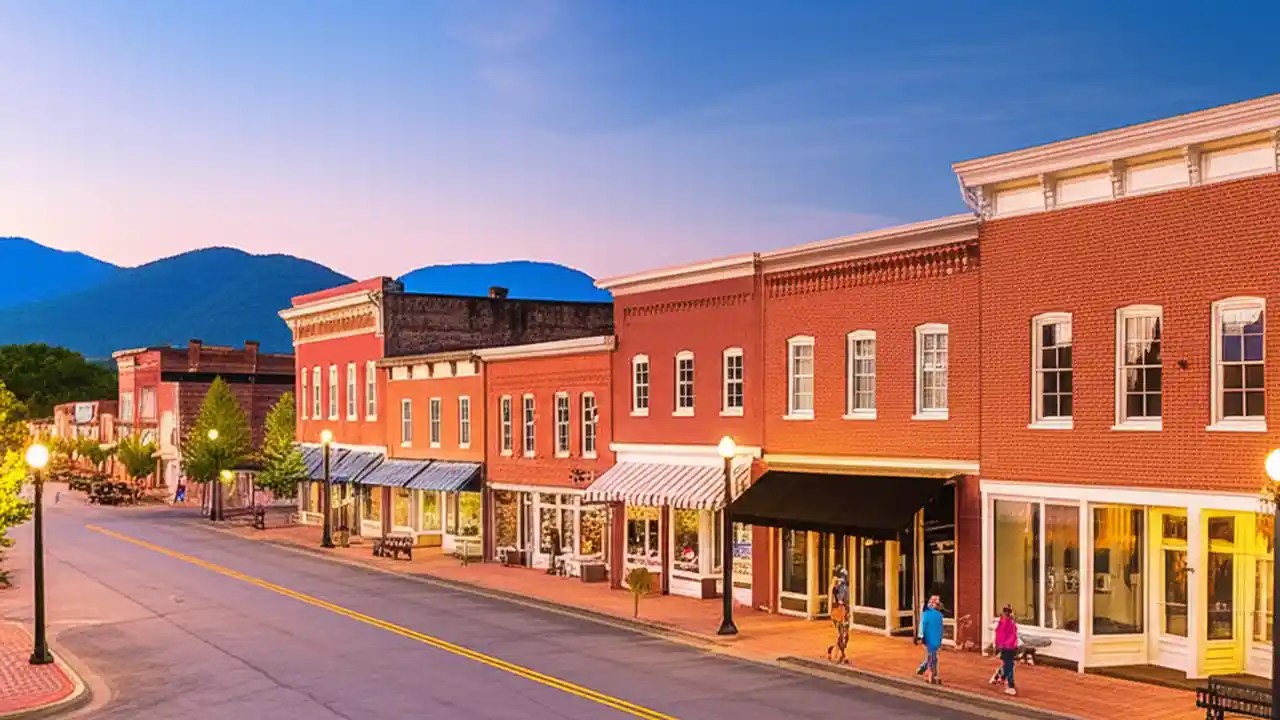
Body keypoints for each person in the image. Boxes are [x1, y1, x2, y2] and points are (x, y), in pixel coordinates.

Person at [915, 594, 944, 684]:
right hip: (931, 639)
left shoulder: (934, 614)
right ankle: (932, 675)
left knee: (932, 656)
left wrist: (920, 636)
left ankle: (923, 668)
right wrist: (921, 635)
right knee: (933, 657)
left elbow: (938, 627)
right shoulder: (931, 614)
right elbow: (923, 625)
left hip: (933, 638)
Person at [992, 604, 1019, 695]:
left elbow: (1008, 635)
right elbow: (1000, 634)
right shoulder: (1006, 622)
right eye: (1006, 611)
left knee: (1009, 665)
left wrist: (1000, 645)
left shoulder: (1008, 622)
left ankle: (1002, 679)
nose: (1006, 613)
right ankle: (1007, 683)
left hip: (1009, 647)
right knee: (1009, 665)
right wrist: (998, 645)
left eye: (1008, 611)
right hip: (1007, 647)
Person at [826, 567, 850, 663]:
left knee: (845, 635)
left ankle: (837, 652)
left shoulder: (843, 586)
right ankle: (841, 655)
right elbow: (838, 600)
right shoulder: (838, 586)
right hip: (838, 612)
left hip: (843, 611)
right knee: (841, 634)